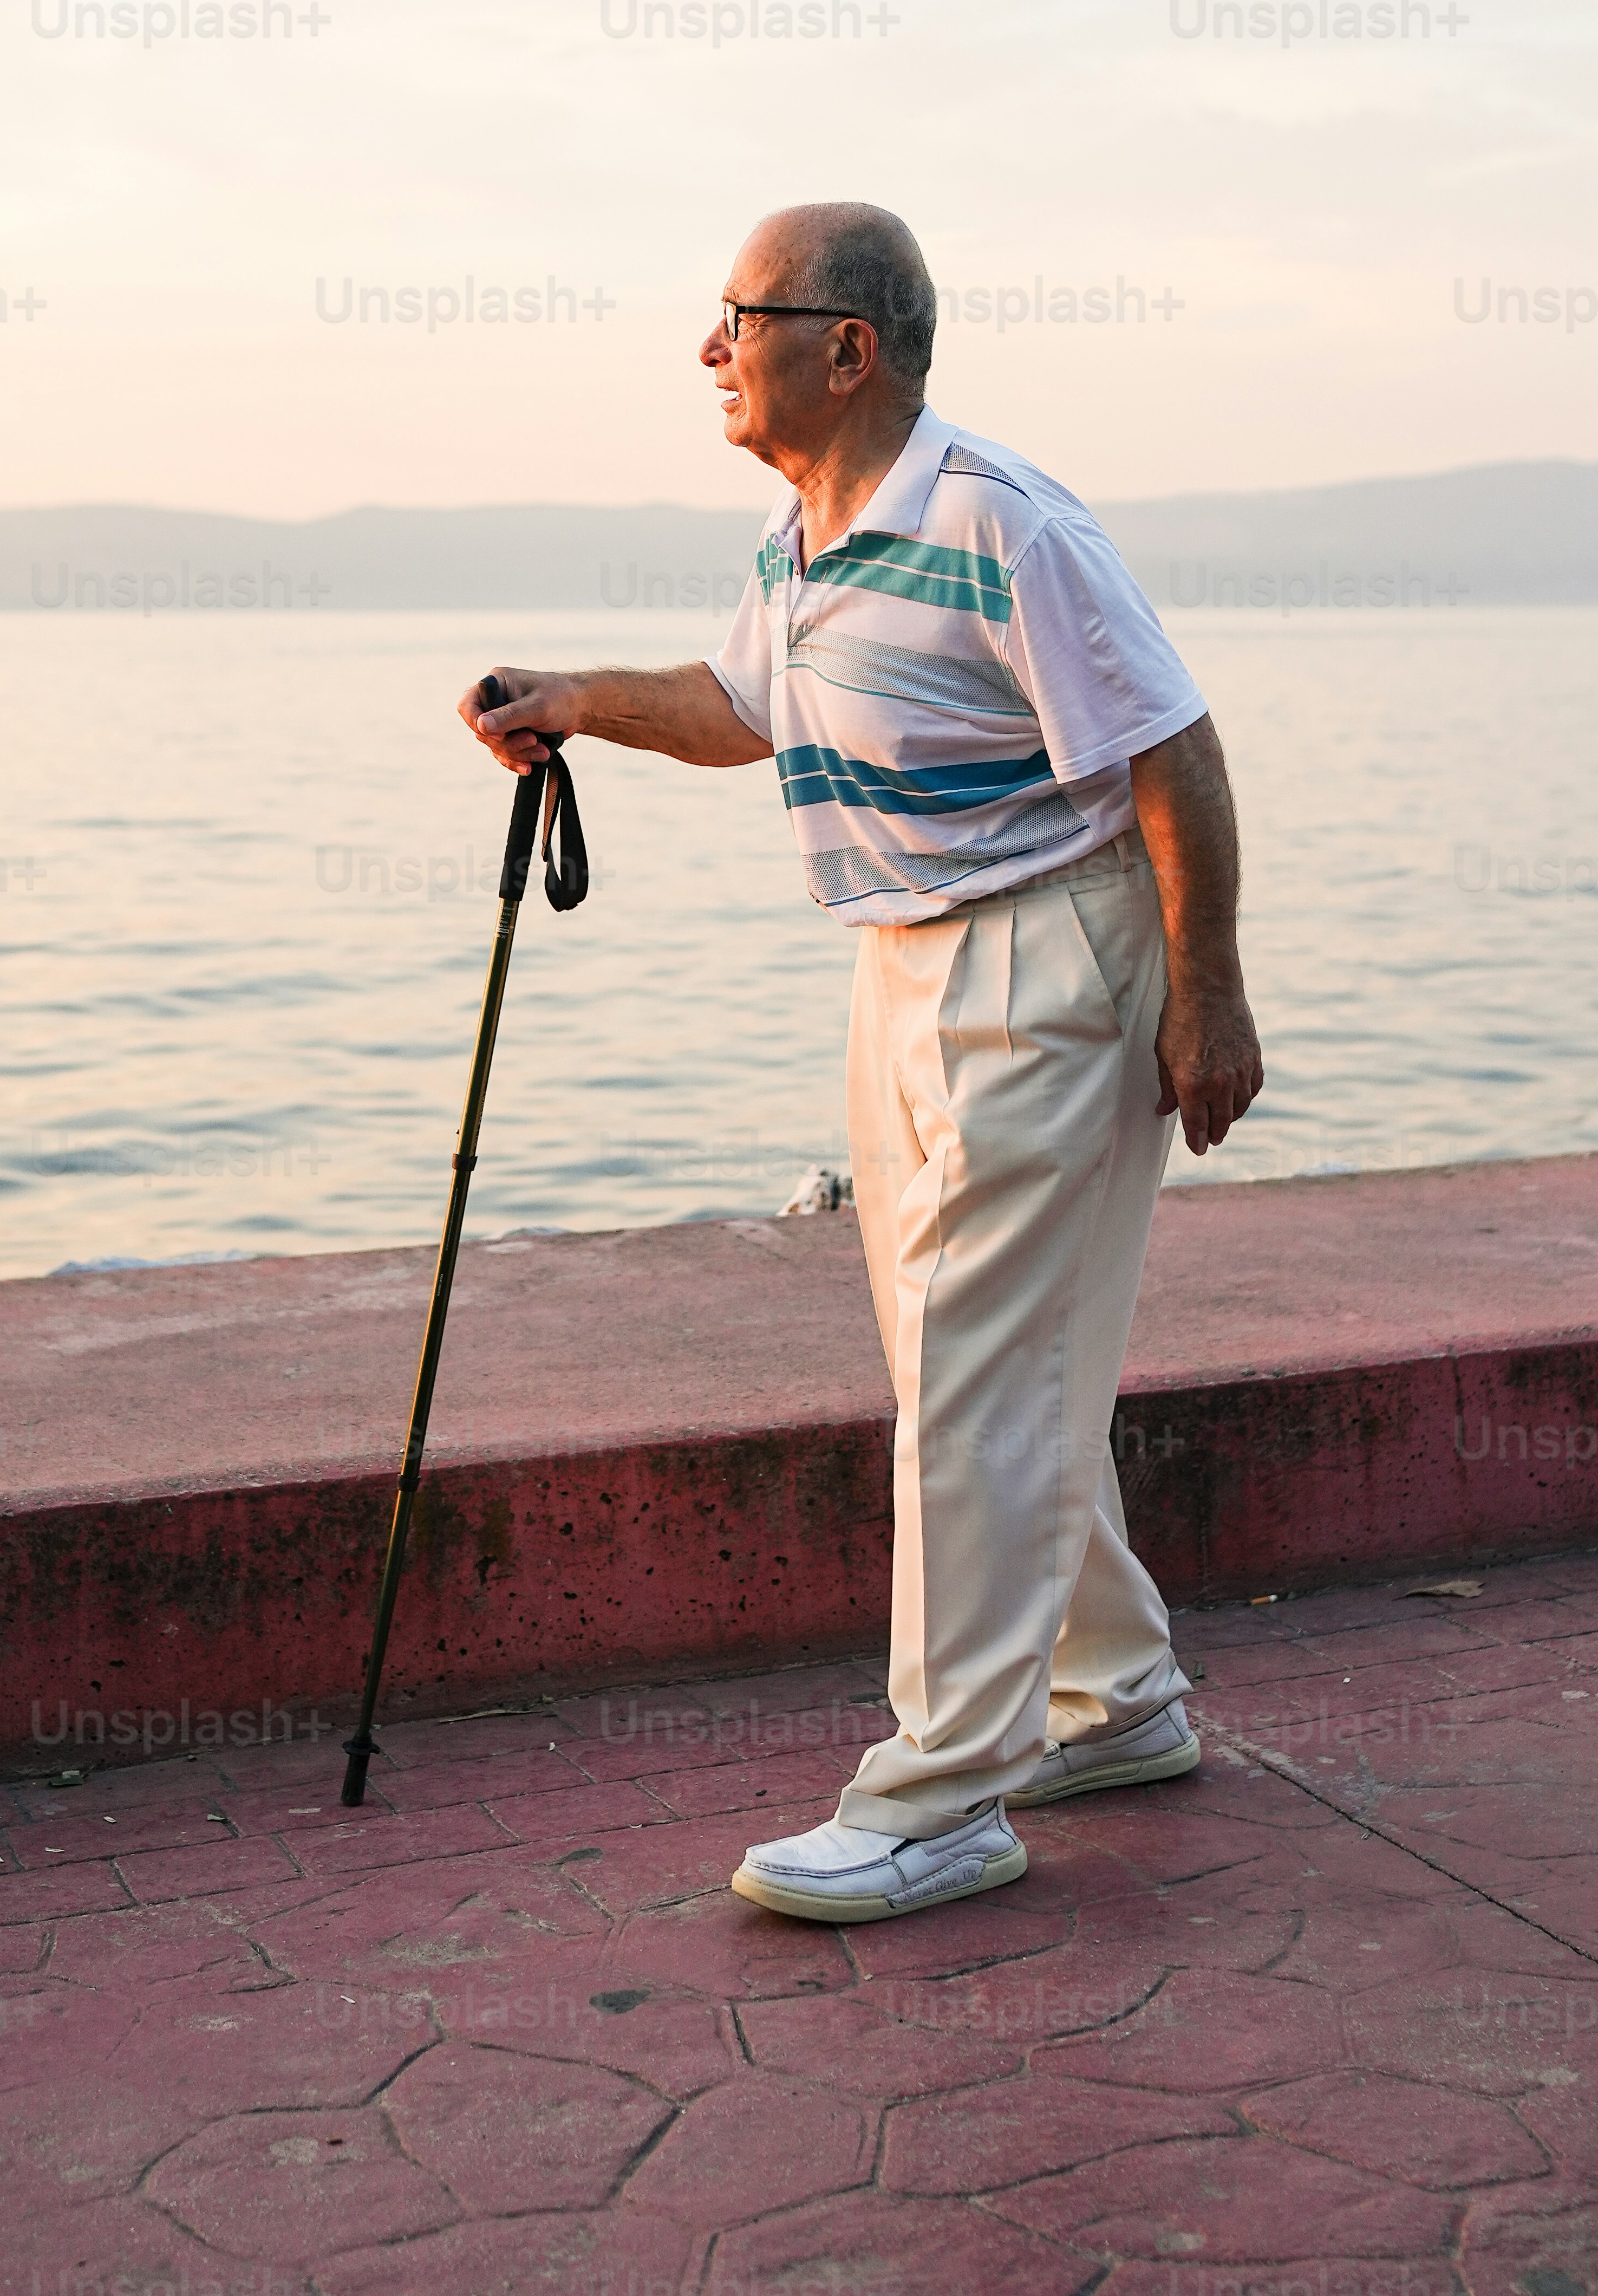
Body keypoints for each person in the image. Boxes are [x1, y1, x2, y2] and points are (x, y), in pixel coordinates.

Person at [461, 202, 1263, 1928]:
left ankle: (938, 1798)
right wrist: (574, 697)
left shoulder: (1000, 521)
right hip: (900, 964)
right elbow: (742, 711)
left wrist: (1209, 998)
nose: (707, 348)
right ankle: (1114, 1699)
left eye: (735, 315)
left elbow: (1174, 754)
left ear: (849, 346)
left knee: (975, 1370)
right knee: (972, 1358)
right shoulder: (804, 536)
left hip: (1047, 950)